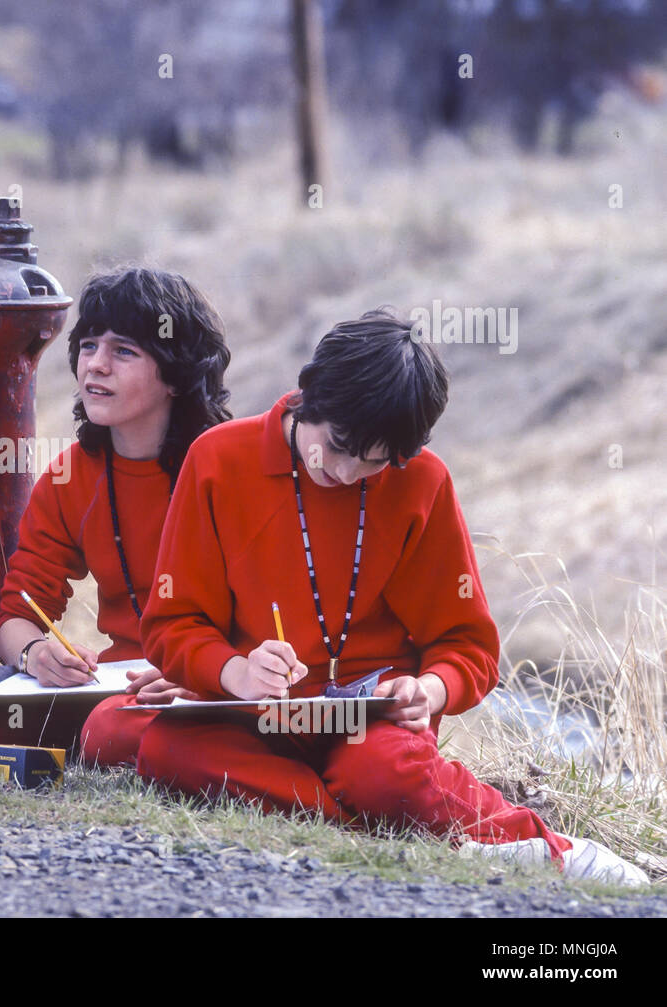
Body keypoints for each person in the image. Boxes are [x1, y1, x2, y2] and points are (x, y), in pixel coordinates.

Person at [134, 308, 648, 885]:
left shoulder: (423, 481)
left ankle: (553, 849)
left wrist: (428, 690)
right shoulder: (217, 459)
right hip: (251, 718)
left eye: (374, 462)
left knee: (388, 774)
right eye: (339, 446)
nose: (349, 472)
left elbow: (469, 646)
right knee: (164, 750)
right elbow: (171, 624)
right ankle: (429, 842)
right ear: (310, 397)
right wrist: (234, 672)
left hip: (368, 729)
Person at [0, 267, 232, 763]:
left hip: (214, 685)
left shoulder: (226, 467)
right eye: (88, 346)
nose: (96, 366)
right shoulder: (70, 476)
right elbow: (19, 613)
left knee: (112, 733)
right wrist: (37, 655)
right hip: (116, 687)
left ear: (177, 372)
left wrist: (207, 671)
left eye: (124, 351)